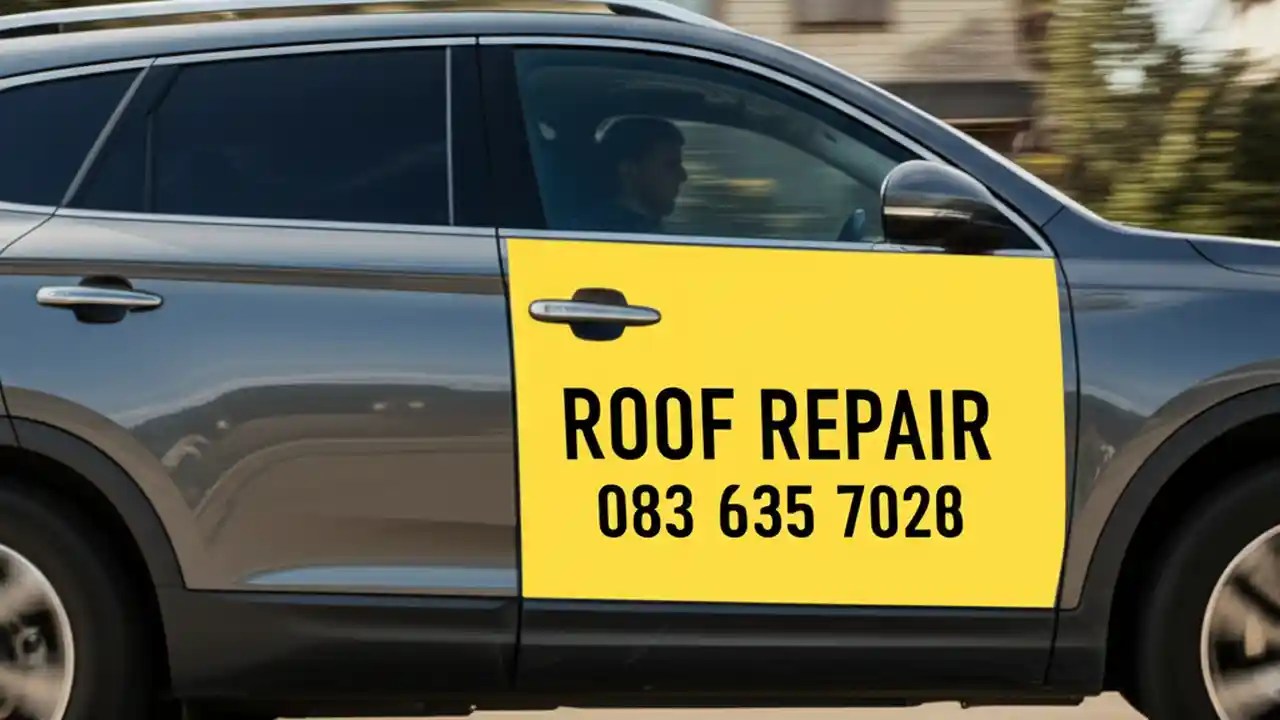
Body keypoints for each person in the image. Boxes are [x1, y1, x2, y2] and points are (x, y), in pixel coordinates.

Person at [585, 116, 688, 234]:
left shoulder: (645, 228)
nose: (683, 176)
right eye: (670, 165)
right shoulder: (613, 234)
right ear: (629, 170)